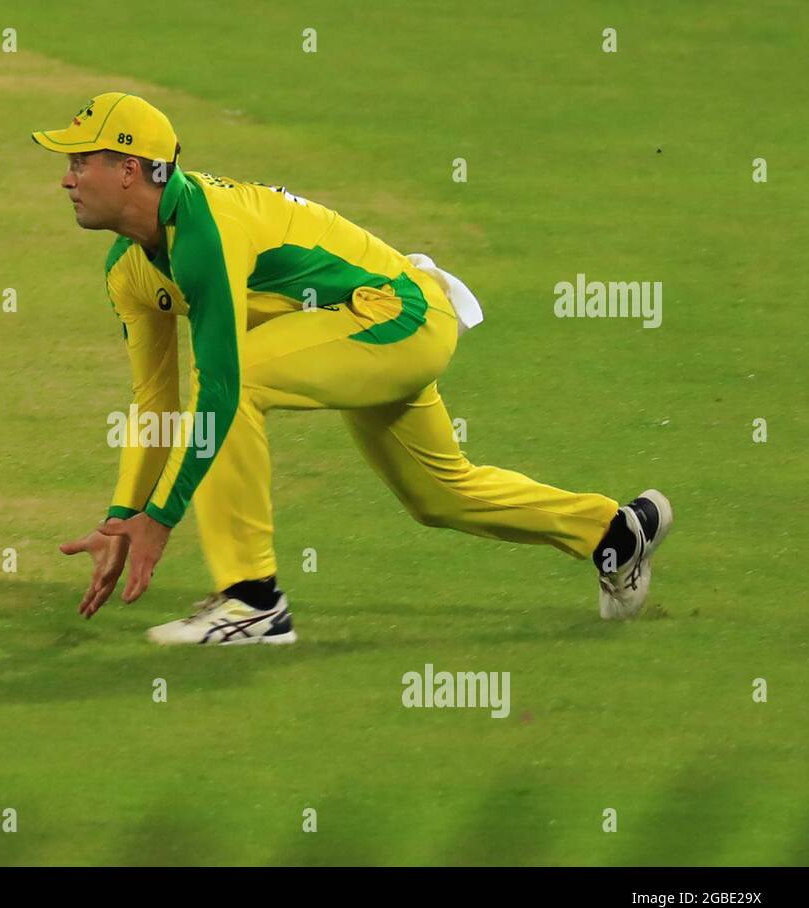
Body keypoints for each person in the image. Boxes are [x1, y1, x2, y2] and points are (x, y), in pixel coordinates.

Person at [35, 92, 672, 645]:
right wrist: (124, 516)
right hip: (356, 330)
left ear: (128, 171)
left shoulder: (204, 231)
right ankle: (613, 532)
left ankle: (252, 603)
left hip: (399, 316)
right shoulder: (129, 269)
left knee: (238, 381)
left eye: (79, 162)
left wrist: (162, 518)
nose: (66, 179)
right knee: (438, 495)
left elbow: (223, 390)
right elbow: (154, 404)